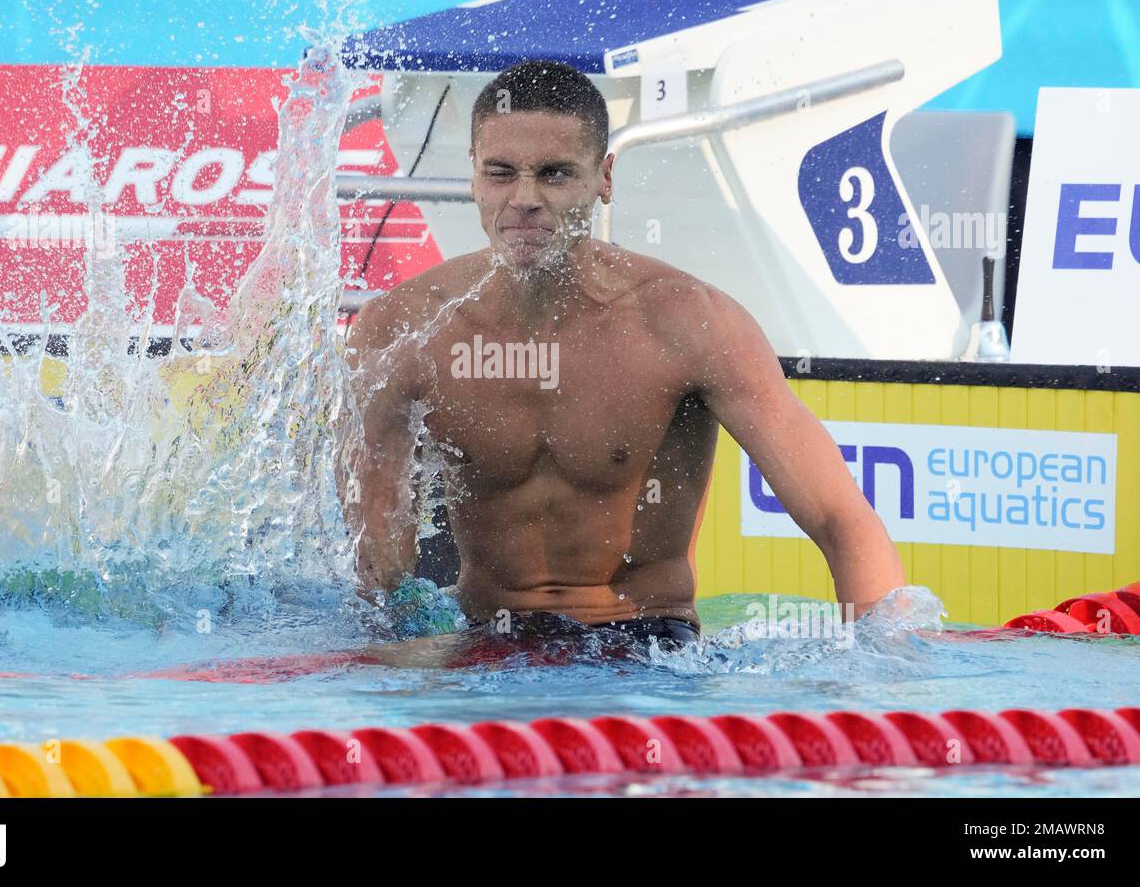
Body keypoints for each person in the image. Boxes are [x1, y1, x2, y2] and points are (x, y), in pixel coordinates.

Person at [345, 58, 905, 651]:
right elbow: (380, 575)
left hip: (643, 649)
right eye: (502, 173)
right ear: (475, 177)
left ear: (604, 177)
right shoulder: (404, 330)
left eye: (556, 174)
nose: (525, 199)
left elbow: (842, 522)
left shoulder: (688, 323)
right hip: (484, 645)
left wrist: (889, 673)